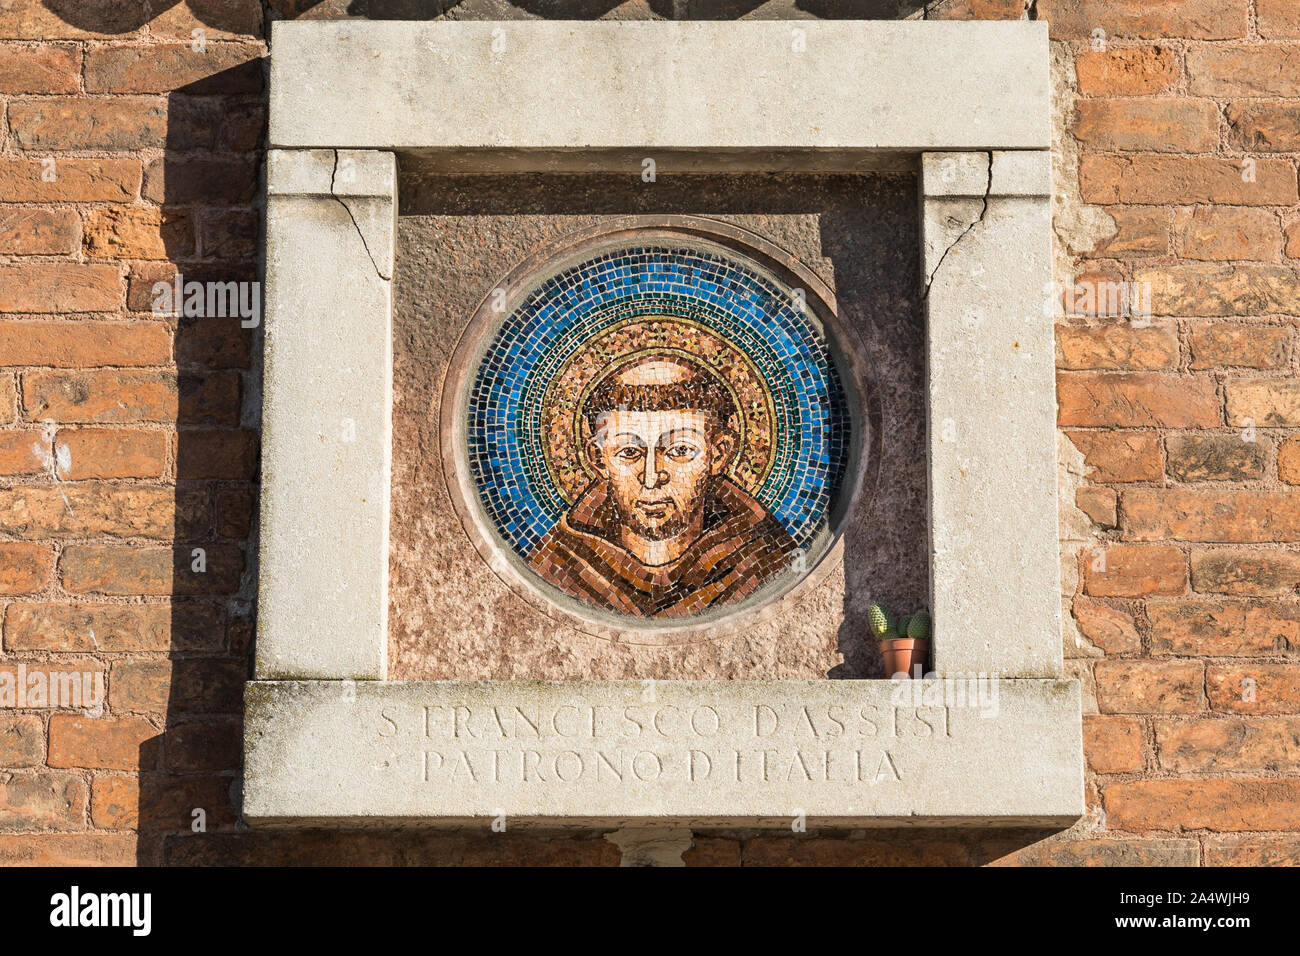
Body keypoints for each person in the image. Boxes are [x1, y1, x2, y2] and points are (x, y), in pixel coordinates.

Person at [528, 354, 798, 618]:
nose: (651, 477)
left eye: (680, 449)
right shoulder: (557, 564)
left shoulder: (765, 560)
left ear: (718, 454)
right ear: (598, 459)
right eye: (629, 451)